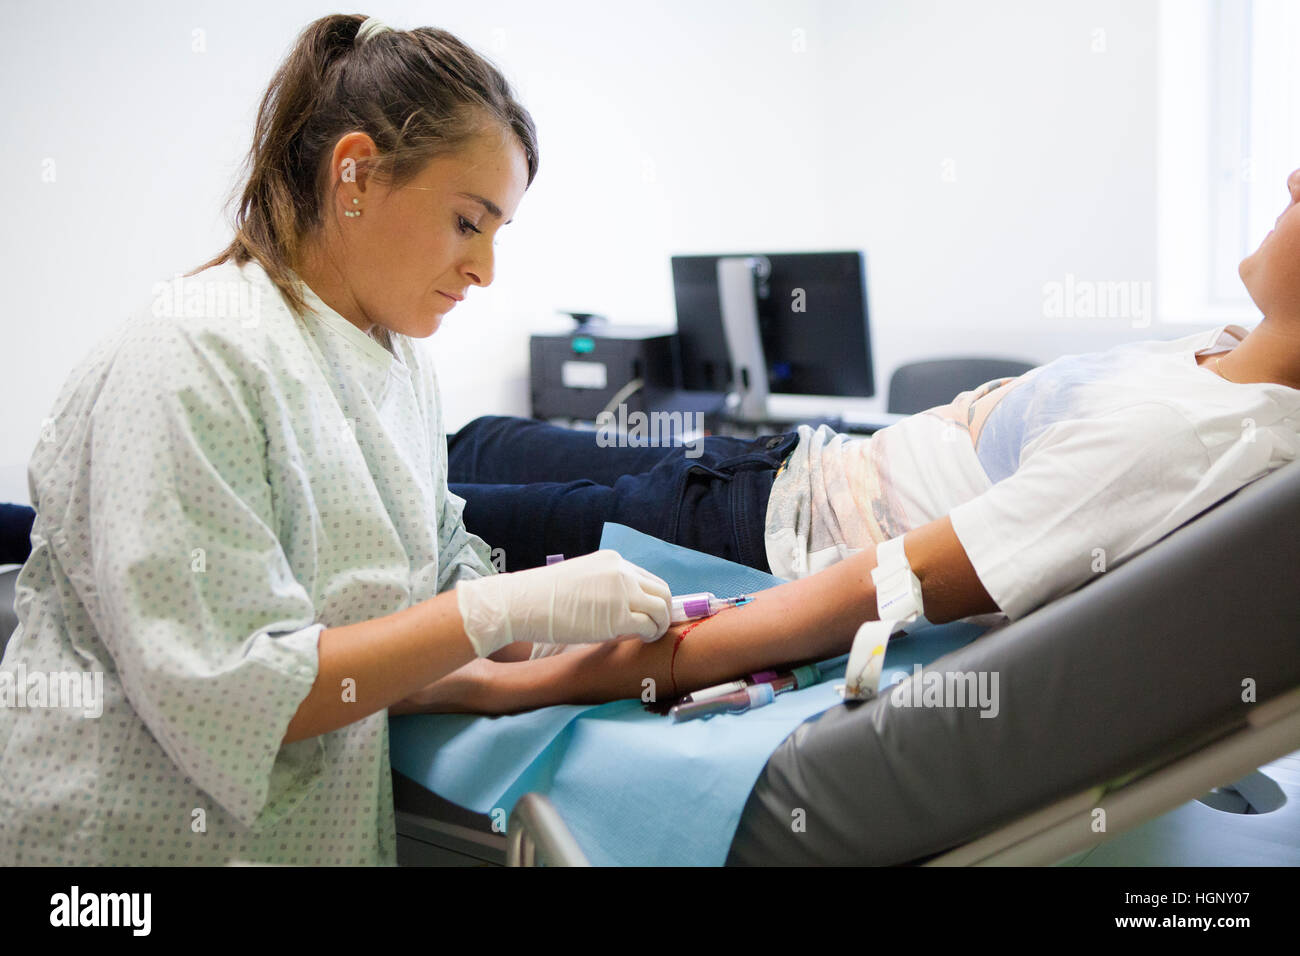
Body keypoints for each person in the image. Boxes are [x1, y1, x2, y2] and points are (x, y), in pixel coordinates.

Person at [0, 14, 674, 866]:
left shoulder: (394, 363)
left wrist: (553, 633)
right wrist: (503, 610)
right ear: (354, 173)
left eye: (499, 234)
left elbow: (436, 566)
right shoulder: (189, 358)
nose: (485, 271)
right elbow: (236, 691)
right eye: (469, 222)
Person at [407, 169, 1300, 715]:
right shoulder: (1220, 364)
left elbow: (864, 593)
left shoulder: (1184, 438)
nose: (1292, 182)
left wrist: (520, 685)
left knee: (428, 510)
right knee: (481, 437)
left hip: (746, 536)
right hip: (775, 466)